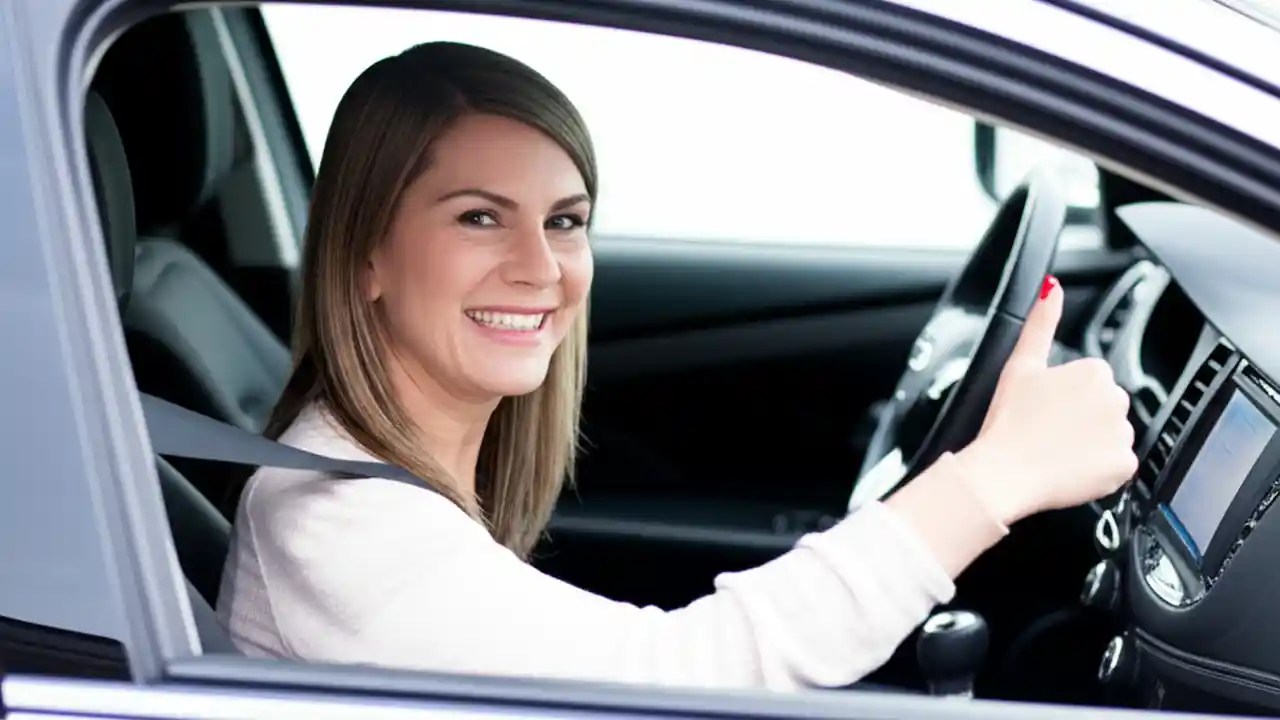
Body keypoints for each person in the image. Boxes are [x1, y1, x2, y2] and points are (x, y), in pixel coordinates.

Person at [215, 41, 1136, 690]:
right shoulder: (339, 523)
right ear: (366, 252)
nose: (541, 268)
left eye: (566, 220)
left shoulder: (385, 486)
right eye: (479, 217)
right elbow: (681, 679)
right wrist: (994, 478)